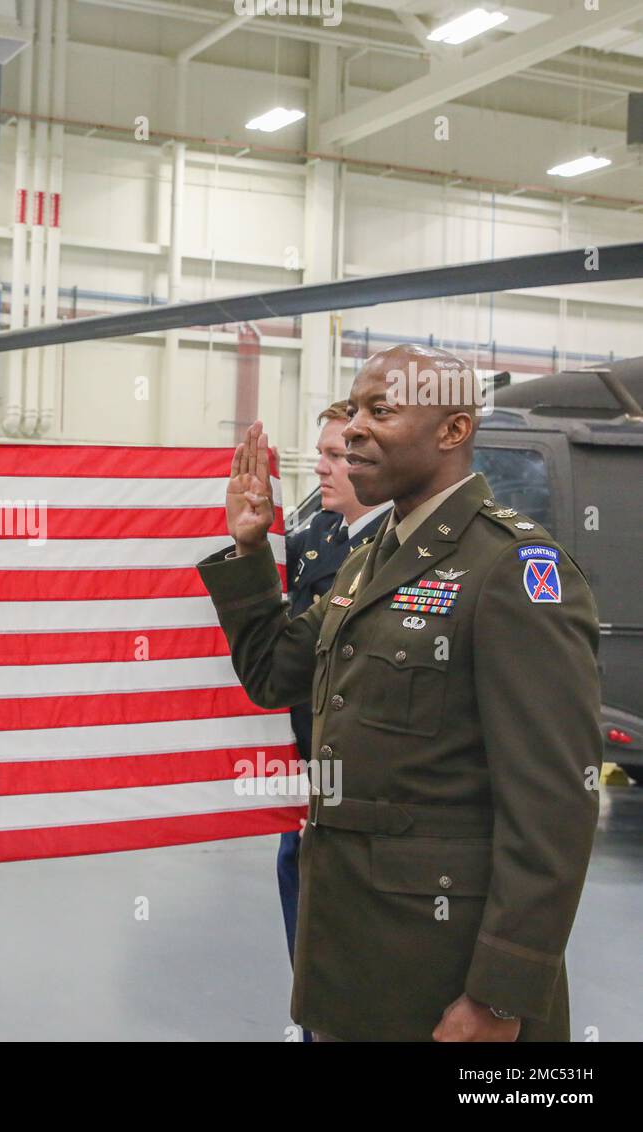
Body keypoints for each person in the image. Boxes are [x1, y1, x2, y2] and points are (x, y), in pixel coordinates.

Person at [200, 344, 600, 1042]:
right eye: (352, 409)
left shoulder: (511, 568)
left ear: (452, 431)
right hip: (353, 961)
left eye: (380, 411)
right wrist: (249, 551)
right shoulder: (369, 561)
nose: (353, 428)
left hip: (444, 973)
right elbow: (272, 674)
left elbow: (556, 803)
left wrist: (500, 996)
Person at [278, 403, 391, 969]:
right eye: (321, 453)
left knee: (338, 972)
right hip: (302, 784)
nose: (320, 468)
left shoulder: (389, 553)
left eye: (335, 456)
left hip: (346, 797)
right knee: (307, 969)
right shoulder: (319, 535)